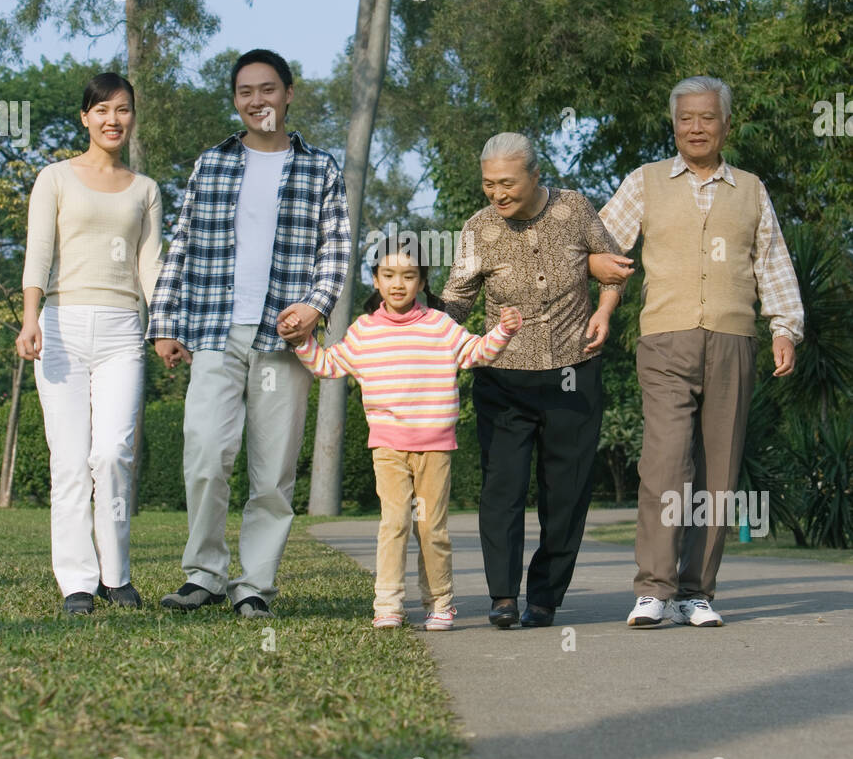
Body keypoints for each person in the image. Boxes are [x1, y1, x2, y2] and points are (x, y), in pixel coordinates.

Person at [592, 75, 804, 628]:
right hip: (664, 337)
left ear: (725, 123)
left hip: (734, 339)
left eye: (706, 117)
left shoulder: (751, 189)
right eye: (685, 118)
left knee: (719, 470)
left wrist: (785, 327)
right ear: (674, 123)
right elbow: (601, 241)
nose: (695, 127)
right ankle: (654, 588)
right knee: (665, 459)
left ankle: (696, 591)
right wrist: (598, 273)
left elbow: (773, 263)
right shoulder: (646, 182)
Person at [147, 49, 351, 620]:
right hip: (214, 327)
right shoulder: (210, 163)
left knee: (272, 469)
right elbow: (180, 244)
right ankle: (204, 575)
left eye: (267, 89)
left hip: (281, 338)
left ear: (288, 94)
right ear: (236, 101)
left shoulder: (320, 168)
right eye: (245, 92)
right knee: (206, 454)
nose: (256, 101)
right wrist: (164, 323)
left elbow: (335, 248)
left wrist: (314, 306)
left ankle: (255, 582)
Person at [279, 236, 522, 629]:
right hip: (388, 448)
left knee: (432, 529)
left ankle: (439, 603)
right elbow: (327, 365)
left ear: (423, 282)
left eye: (408, 276)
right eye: (388, 274)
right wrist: (302, 341)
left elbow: (475, 353)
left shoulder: (440, 326)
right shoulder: (364, 332)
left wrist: (504, 332)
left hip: (435, 448)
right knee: (394, 525)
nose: (398, 283)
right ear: (375, 280)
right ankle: (388, 605)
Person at [441, 132, 627, 628]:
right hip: (503, 377)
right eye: (488, 185)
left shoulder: (575, 208)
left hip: (573, 370)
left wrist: (605, 312)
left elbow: (614, 270)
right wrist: (425, 321)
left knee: (565, 491)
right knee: (502, 487)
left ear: (534, 175)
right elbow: (458, 296)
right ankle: (503, 596)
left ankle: (545, 596)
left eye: (506, 183)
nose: (496, 194)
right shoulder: (478, 228)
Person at [17, 72, 163, 615]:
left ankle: (116, 574)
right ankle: (78, 582)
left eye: (122, 109)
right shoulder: (54, 178)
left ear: (131, 116)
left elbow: (150, 265)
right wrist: (30, 319)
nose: (112, 119)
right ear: (85, 117)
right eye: (102, 110)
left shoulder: (145, 190)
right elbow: (38, 253)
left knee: (113, 452)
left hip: (123, 329)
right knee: (72, 459)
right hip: (60, 327)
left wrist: (164, 326)